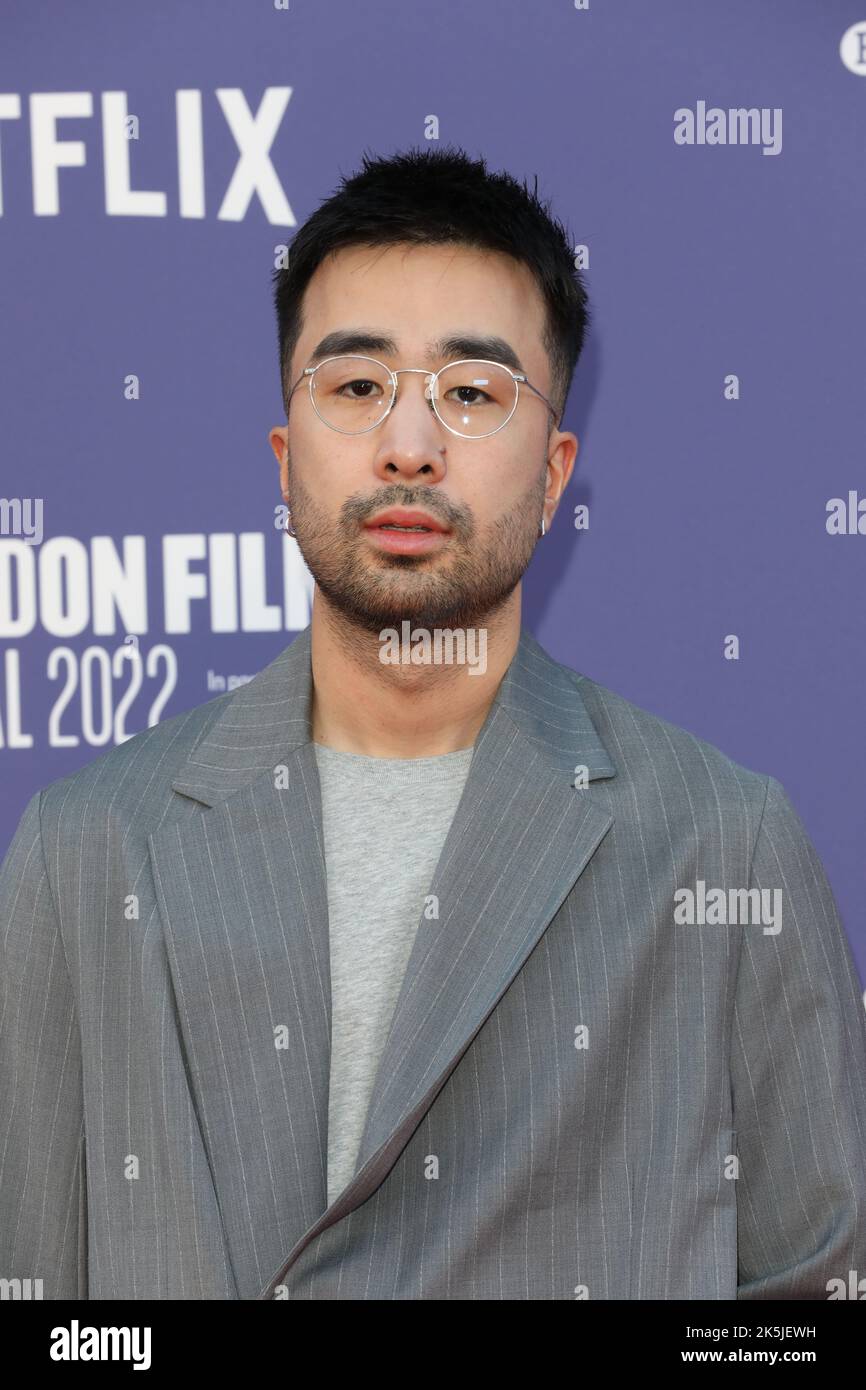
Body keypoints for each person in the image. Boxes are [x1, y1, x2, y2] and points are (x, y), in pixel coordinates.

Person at [2, 146, 865, 1301]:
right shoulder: (86, 848)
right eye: (356, 386)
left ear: (556, 473)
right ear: (284, 455)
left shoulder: (723, 843)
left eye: (471, 392)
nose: (409, 446)